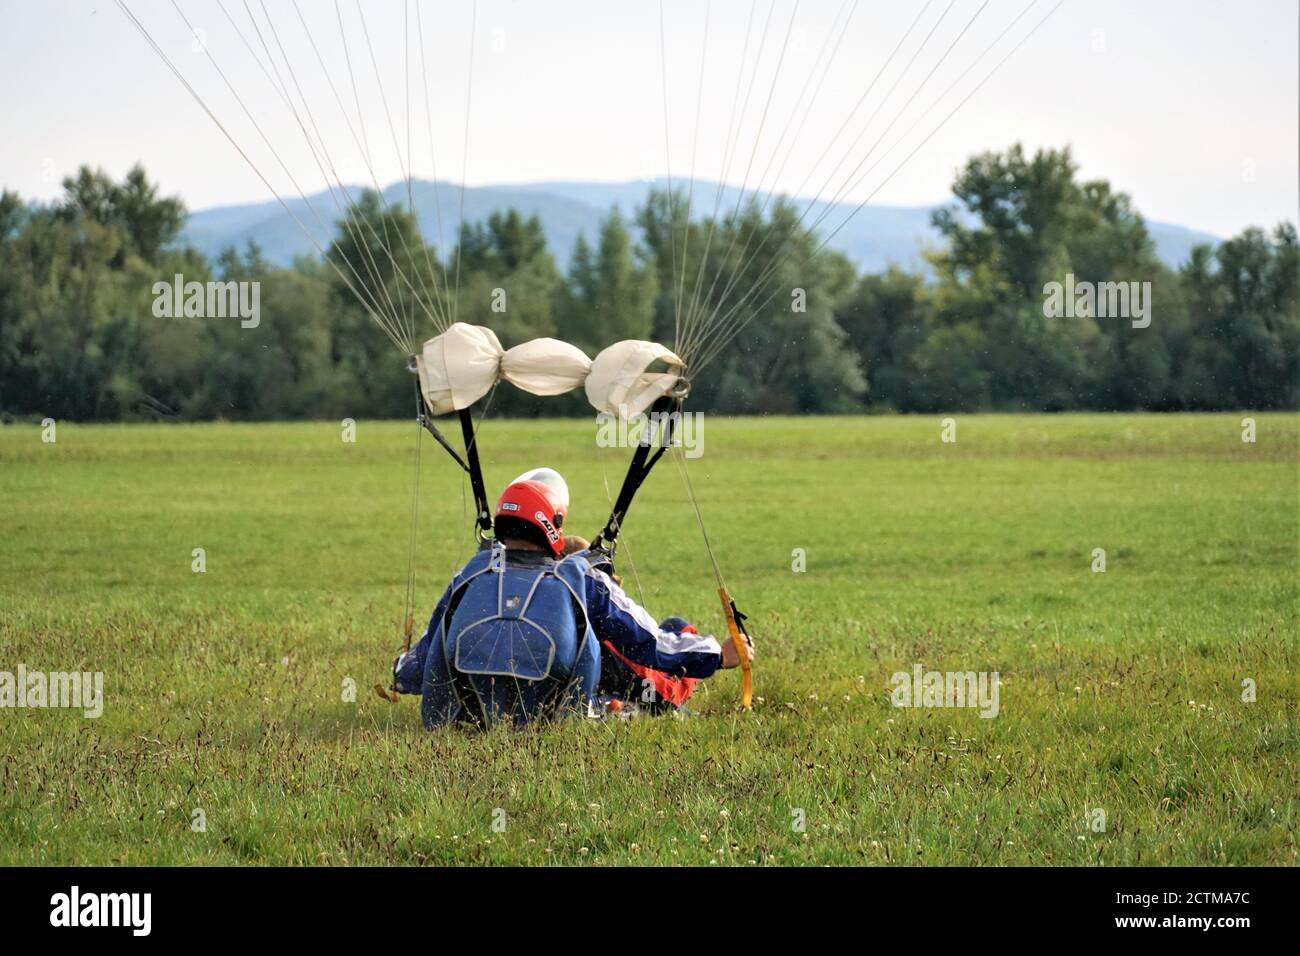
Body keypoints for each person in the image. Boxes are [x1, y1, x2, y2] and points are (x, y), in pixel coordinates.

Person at [391, 467, 752, 728]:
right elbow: (650, 644)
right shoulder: (581, 579)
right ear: (553, 523)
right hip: (561, 723)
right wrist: (719, 655)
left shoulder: (468, 575)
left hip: (472, 724)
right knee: (671, 633)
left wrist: (400, 671)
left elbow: (416, 669)